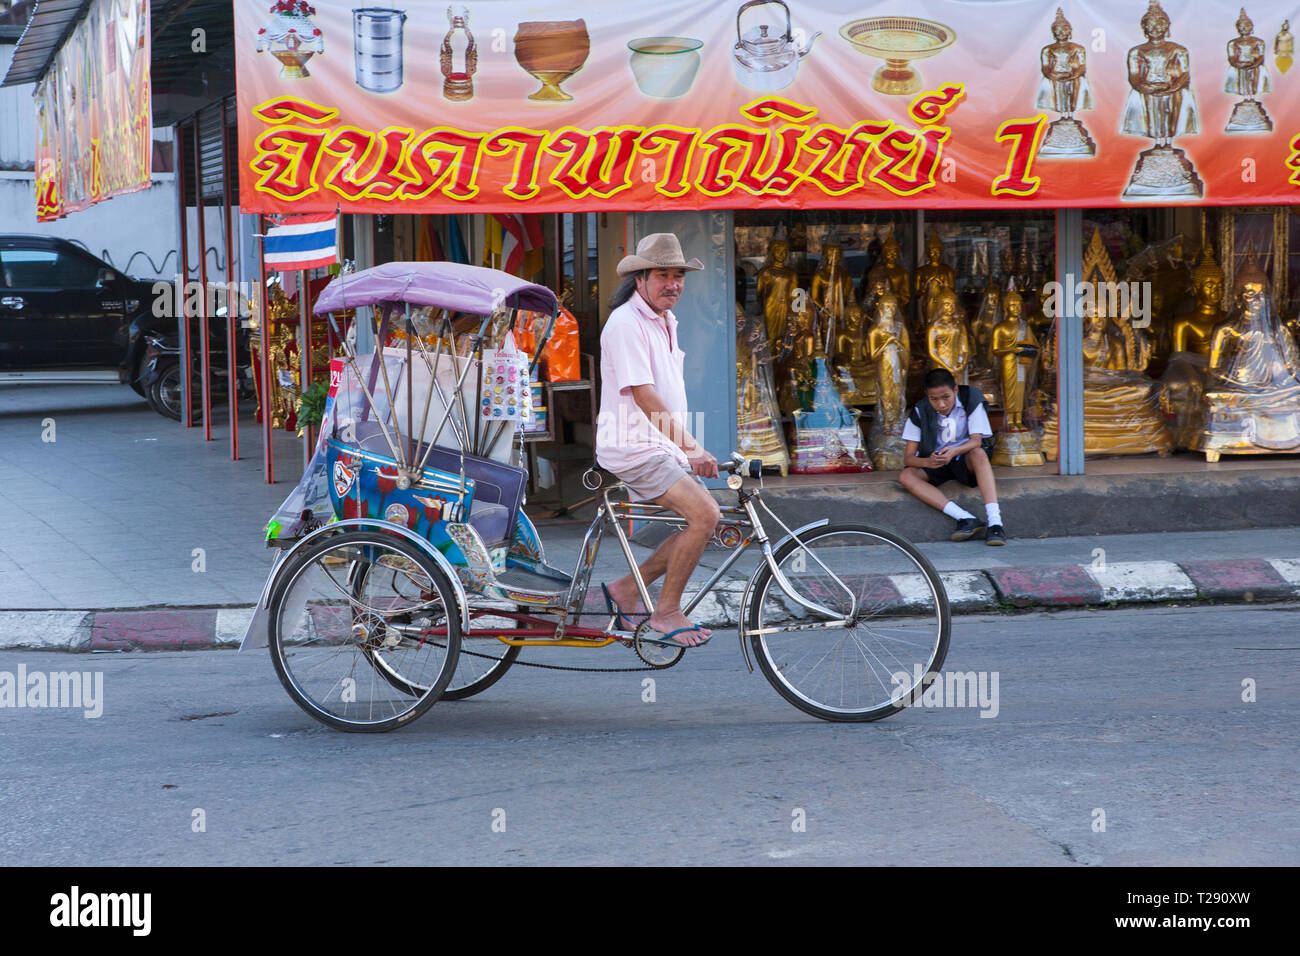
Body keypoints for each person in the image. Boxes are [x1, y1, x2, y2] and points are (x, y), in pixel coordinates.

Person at [595, 233, 721, 647]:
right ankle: (665, 611)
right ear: (640, 280)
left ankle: (628, 589)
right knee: (705, 514)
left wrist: (683, 445)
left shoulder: (665, 319)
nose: (673, 284)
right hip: (632, 446)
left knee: (701, 520)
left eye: (678, 276)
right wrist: (693, 447)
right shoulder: (626, 323)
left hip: (659, 445)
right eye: (663, 275)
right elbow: (644, 394)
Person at [899, 368, 1005, 545]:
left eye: (945, 397)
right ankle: (965, 518)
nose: (941, 404)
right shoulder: (920, 410)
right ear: (927, 396)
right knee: (906, 475)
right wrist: (928, 461)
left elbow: (976, 441)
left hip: (964, 457)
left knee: (978, 453)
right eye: (934, 399)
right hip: (937, 461)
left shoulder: (970, 397)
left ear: (955, 390)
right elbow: (908, 458)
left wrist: (955, 451)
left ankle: (995, 522)